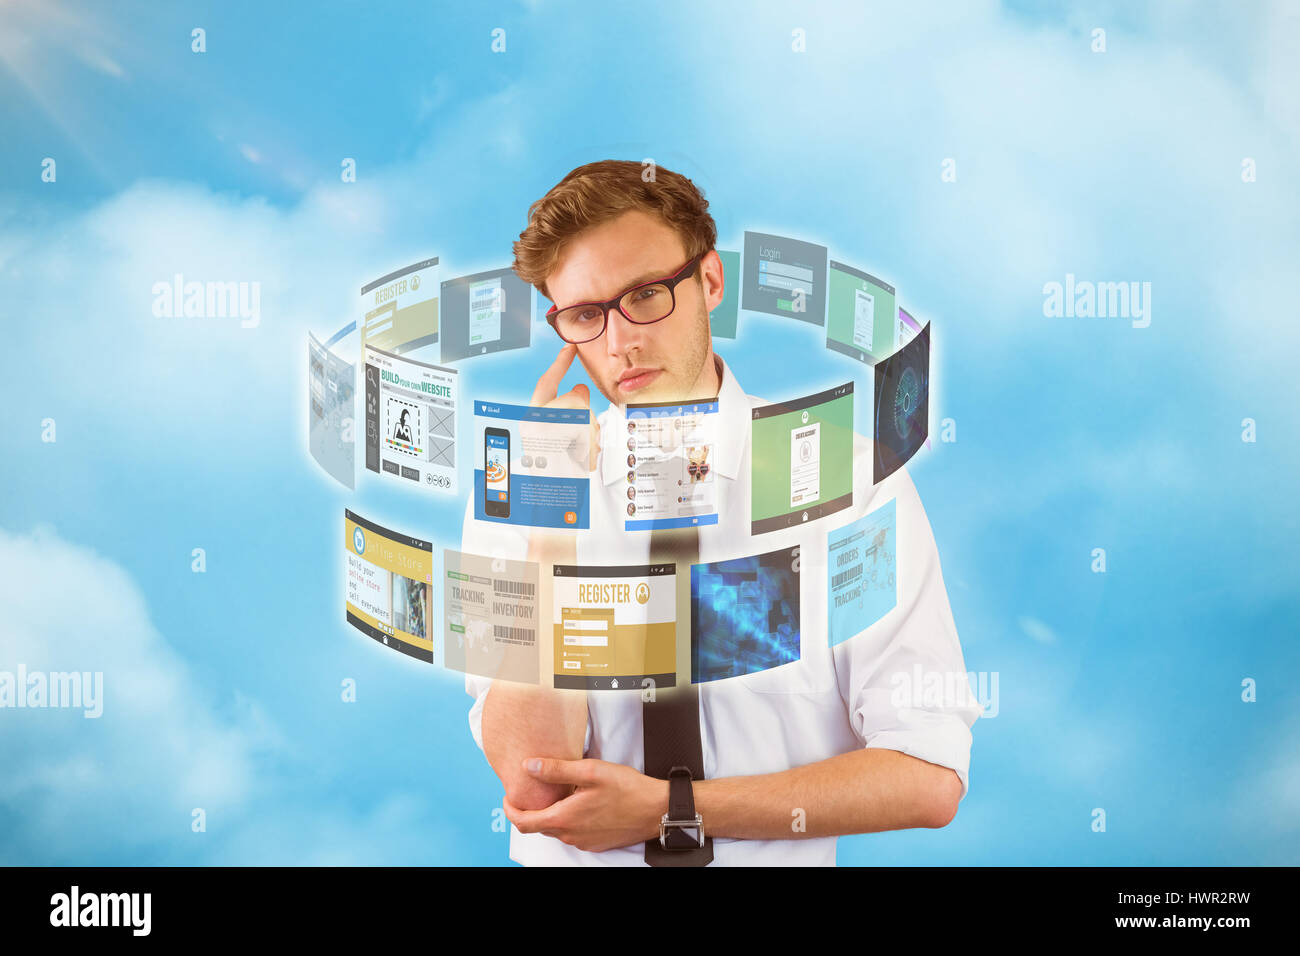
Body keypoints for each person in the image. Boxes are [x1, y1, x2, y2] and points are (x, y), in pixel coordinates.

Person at [460, 159, 979, 865]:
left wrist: (676, 812)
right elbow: (533, 782)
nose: (619, 343)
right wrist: (553, 529)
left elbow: (927, 775)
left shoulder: (852, 481)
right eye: (585, 315)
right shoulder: (522, 487)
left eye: (645, 295)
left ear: (708, 281)